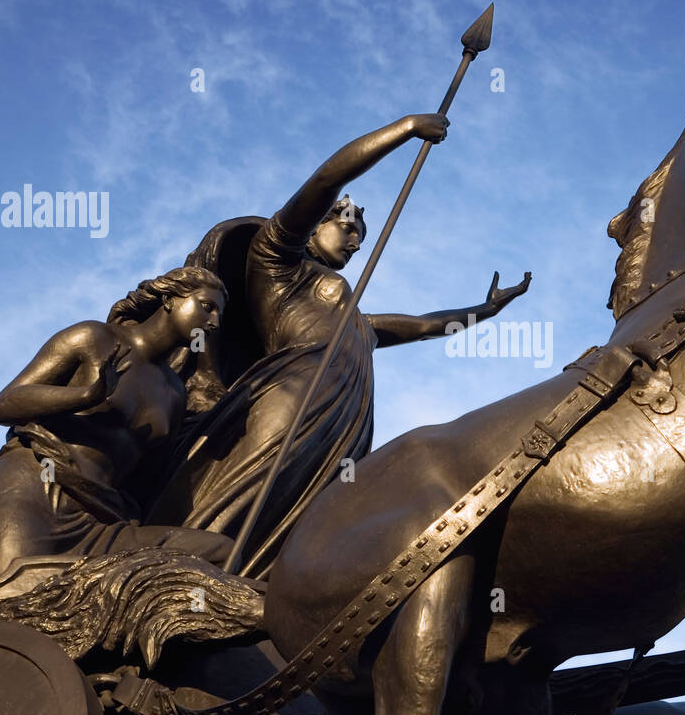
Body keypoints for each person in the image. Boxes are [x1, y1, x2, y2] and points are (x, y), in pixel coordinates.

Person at [144, 112, 531, 578]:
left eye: (361, 238)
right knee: (241, 493)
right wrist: (406, 128)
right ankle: (170, 575)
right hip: (291, 398)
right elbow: (329, 177)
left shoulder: (356, 323)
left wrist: (485, 311)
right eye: (347, 227)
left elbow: (426, 327)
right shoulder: (276, 261)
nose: (354, 242)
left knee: (302, 527)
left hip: (346, 425)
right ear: (315, 224)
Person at [0, 267, 234, 583]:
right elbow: (4, 405)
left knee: (220, 551)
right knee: (5, 610)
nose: (214, 322)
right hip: (31, 497)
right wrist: (84, 395)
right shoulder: (94, 338)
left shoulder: (174, 394)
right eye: (207, 306)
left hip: (103, 523)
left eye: (219, 314)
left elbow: (150, 480)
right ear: (170, 299)